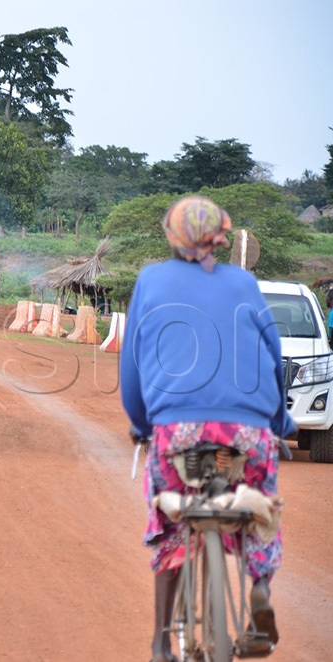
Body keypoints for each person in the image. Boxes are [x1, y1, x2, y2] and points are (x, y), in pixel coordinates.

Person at [120, 196, 293, 662]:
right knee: (261, 508)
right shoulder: (244, 282)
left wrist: (141, 424)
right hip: (248, 431)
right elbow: (273, 355)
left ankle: (161, 641)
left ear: (171, 237)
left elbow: (132, 369)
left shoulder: (150, 280)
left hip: (176, 430)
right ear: (219, 237)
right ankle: (259, 588)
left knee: (169, 520)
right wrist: (279, 423)